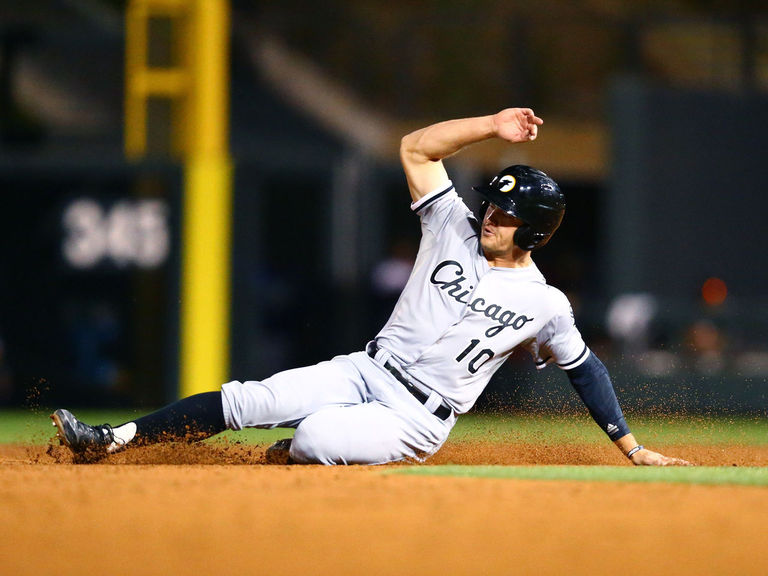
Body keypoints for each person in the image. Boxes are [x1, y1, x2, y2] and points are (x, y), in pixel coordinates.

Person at [51, 108, 690, 466]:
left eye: (507, 214)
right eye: (492, 206)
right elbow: (415, 148)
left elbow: (585, 370)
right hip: (366, 369)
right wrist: (492, 125)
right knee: (248, 398)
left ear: (536, 233)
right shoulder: (451, 227)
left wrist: (631, 447)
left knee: (313, 438)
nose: (491, 216)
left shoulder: (546, 303)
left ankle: (299, 449)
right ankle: (111, 440)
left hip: (417, 419)